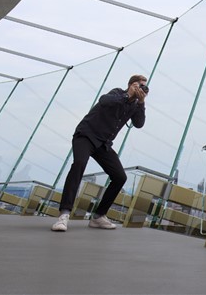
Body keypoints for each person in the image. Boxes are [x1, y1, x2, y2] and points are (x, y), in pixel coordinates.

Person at [51, 74, 147, 232]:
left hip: (103, 143)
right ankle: (64, 214)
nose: (141, 88)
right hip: (86, 135)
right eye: (138, 85)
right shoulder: (117, 93)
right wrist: (127, 95)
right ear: (130, 85)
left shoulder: (135, 105)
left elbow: (139, 124)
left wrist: (141, 102)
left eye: (144, 86)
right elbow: (104, 101)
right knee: (79, 165)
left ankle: (98, 216)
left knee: (120, 177)